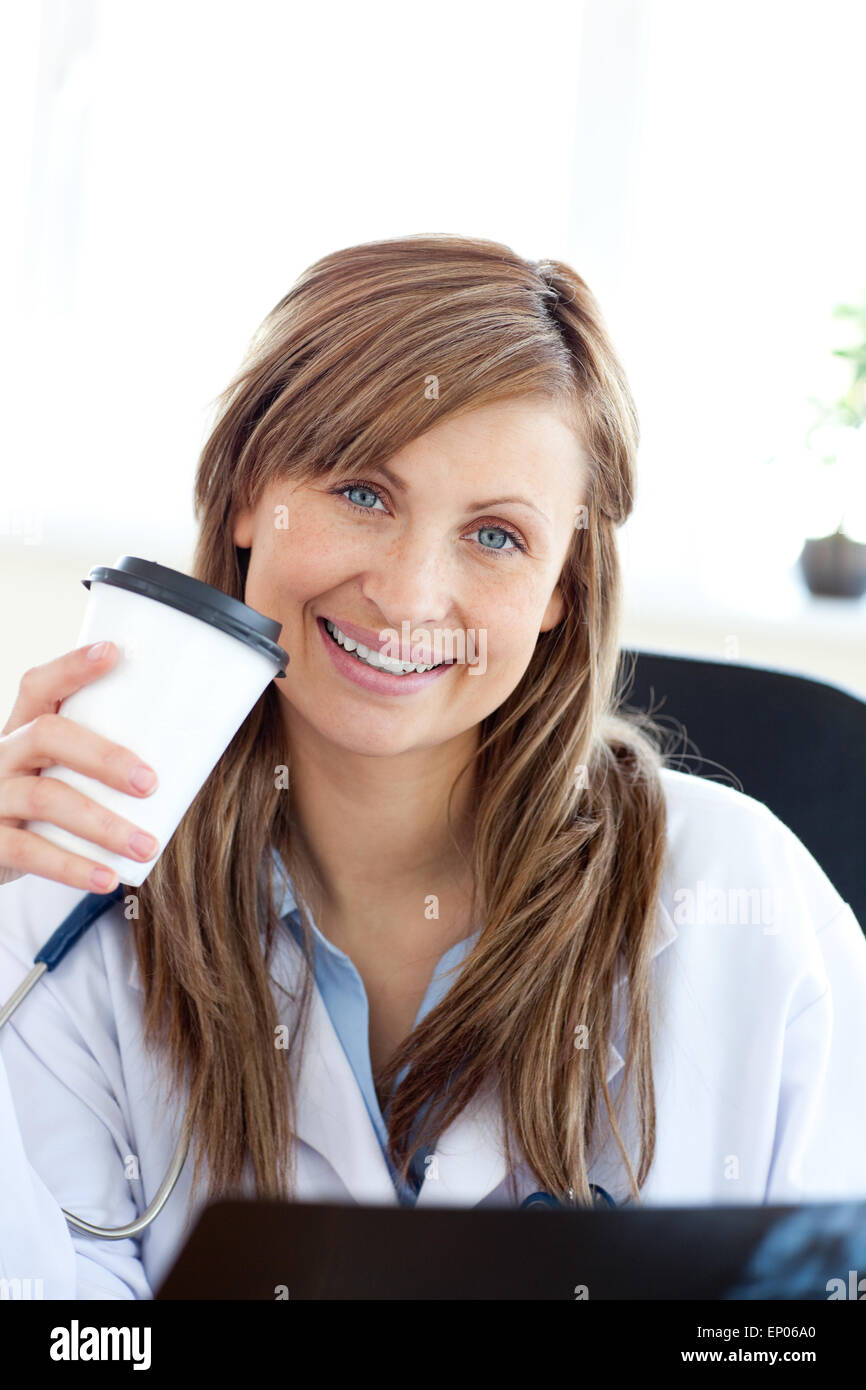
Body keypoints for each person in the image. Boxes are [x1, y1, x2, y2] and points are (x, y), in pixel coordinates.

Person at [1, 233, 865, 1301]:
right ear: (242, 497)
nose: (407, 595)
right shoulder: (68, 893)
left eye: (495, 536)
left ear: (560, 589)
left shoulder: (745, 904)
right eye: (361, 492)